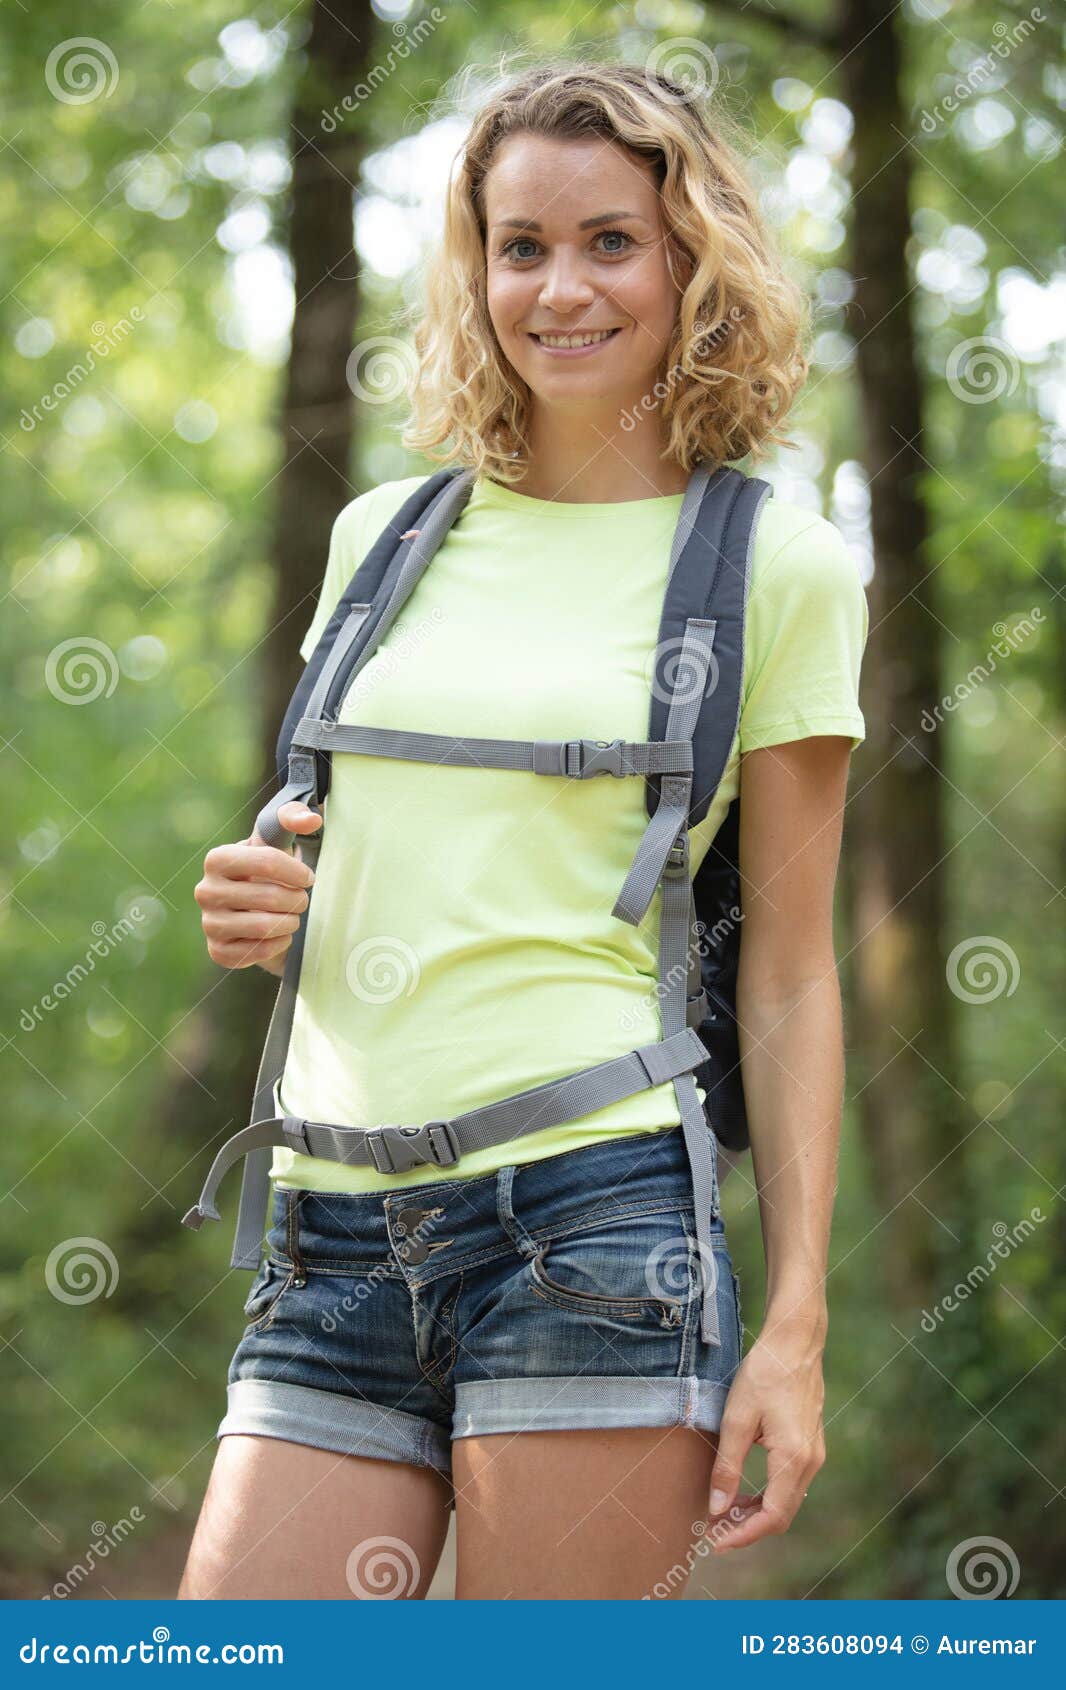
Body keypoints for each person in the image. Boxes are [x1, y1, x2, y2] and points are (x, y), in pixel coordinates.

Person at [180, 60, 867, 1601]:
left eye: (610, 240)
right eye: (520, 246)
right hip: (325, 1224)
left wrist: (795, 1328)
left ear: (692, 262)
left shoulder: (780, 565)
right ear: (474, 266)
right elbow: (346, 846)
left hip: (596, 1223)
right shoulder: (382, 541)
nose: (560, 288)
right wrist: (265, 893)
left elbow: (795, 975)